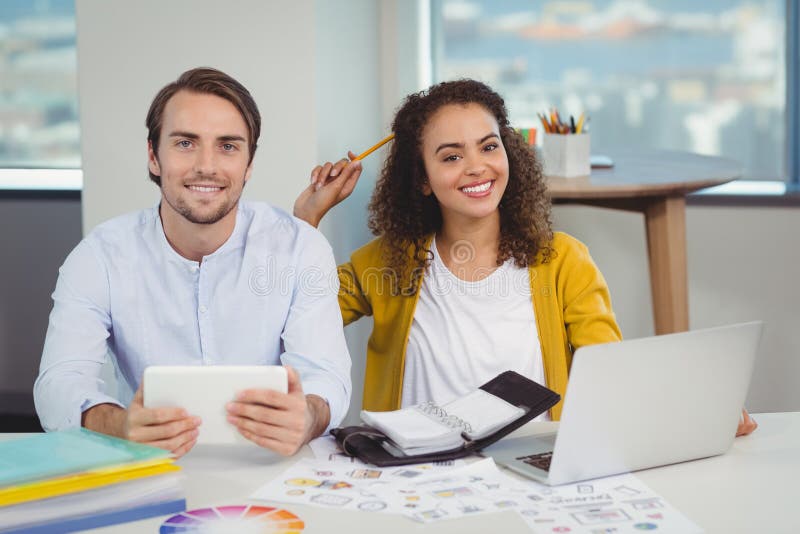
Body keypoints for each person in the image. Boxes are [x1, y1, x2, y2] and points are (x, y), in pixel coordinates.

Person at [294, 78, 757, 437]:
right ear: (422, 179)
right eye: (451, 157)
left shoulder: (565, 261)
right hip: (415, 477)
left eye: (489, 146)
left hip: (530, 469)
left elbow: (613, 373)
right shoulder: (388, 262)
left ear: (508, 152)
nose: (477, 166)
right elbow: (300, 318)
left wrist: (697, 411)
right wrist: (307, 220)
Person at [34, 67, 351, 457]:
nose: (207, 165)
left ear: (249, 164)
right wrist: (118, 424)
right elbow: (58, 384)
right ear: (153, 156)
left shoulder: (301, 248)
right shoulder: (99, 256)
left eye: (228, 146)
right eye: (185, 143)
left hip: (272, 471)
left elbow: (327, 377)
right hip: (150, 469)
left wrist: (308, 416)